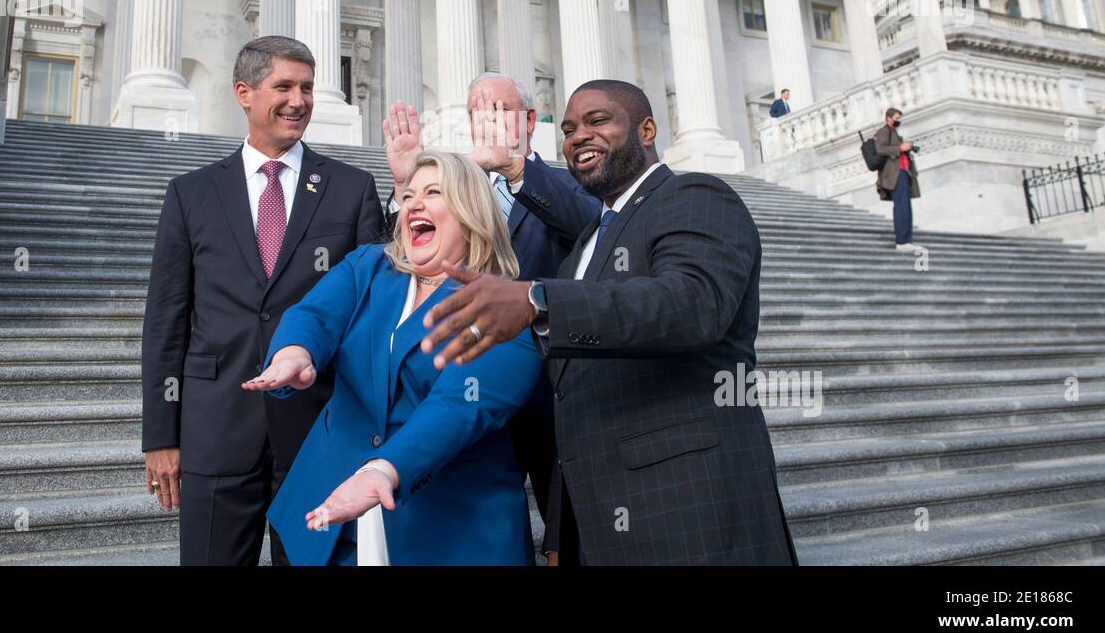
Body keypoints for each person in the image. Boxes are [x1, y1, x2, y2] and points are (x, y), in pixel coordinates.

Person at [414, 79, 799, 566]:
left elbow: (694, 303)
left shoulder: (696, 195)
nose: (577, 137)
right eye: (569, 128)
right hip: (597, 519)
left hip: (690, 505)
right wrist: (560, 530)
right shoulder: (587, 244)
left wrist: (537, 301)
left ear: (647, 129)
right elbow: (573, 394)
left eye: (598, 122)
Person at [140, 35, 386, 566]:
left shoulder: (351, 188)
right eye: (284, 86)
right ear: (244, 93)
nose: (299, 100)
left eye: (307, 87)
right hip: (215, 428)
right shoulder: (191, 194)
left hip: (319, 429)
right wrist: (161, 434)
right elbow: (166, 321)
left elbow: (372, 309)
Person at [243, 152, 542, 565]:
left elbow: (456, 409)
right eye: (410, 194)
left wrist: (383, 469)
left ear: (472, 213)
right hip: (328, 515)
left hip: (447, 532)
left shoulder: (507, 307)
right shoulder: (369, 265)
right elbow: (315, 314)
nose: (414, 204)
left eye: (434, 193)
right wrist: (295, 351)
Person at [380, 75, 600, 549]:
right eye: (478, 112)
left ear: (526, 120)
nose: (488, 122)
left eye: (498, 110)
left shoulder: (566, 184)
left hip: (548, 393)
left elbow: (590, 229)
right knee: (475, 522)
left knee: (568, 532)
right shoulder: (452, 189)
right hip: (463, 385)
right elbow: (400, 258)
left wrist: (517, 170)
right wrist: (404, 186)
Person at [874, 106, 919, 251]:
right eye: (896, 118)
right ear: (888, 118)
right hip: (894, 173)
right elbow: (880, 149)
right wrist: (900, 148)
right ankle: (901, 241)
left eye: (900, 118)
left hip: (904, 171)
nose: (899, 121)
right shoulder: (883, 132)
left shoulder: (895, 133)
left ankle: (907, 240)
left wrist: (907, 147)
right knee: (901, 206)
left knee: (905, 206)